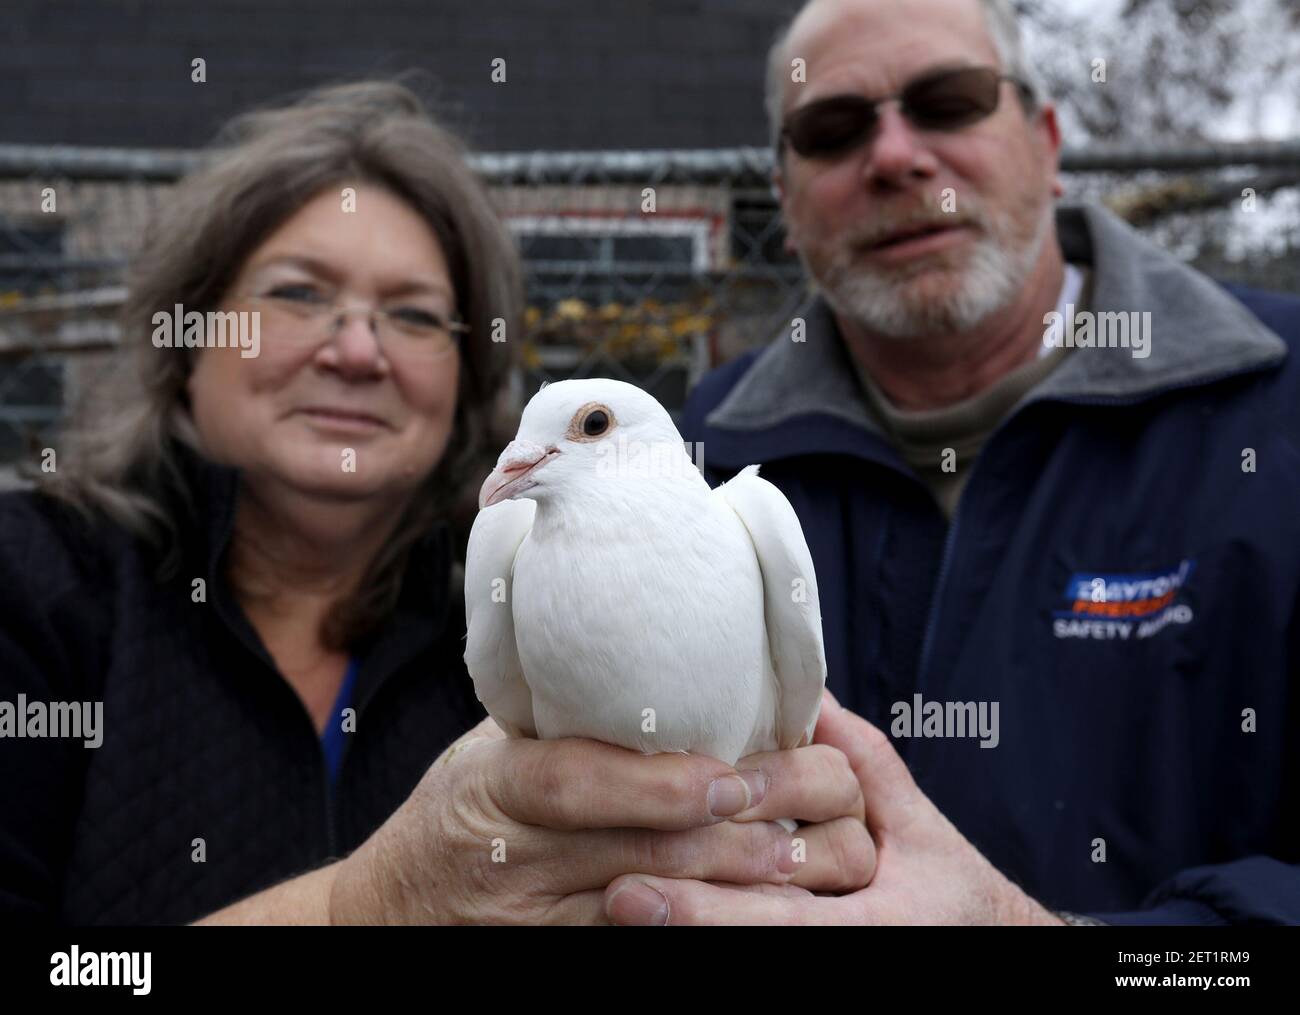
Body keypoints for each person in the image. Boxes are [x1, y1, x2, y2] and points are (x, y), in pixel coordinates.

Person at [0, 80, 873, 925]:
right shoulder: (32, 589)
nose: (356, 349)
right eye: (300, 294)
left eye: (414, 315)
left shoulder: (505, 585)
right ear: (192, 331)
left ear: (465, 376)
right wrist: (361, 910)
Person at [655, 0, 1300, 925]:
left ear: (1046, 143)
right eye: (832, 131)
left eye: (949, 101)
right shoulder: (704, 462)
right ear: (786, 203)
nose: (893, 157)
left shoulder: (1278, 411)